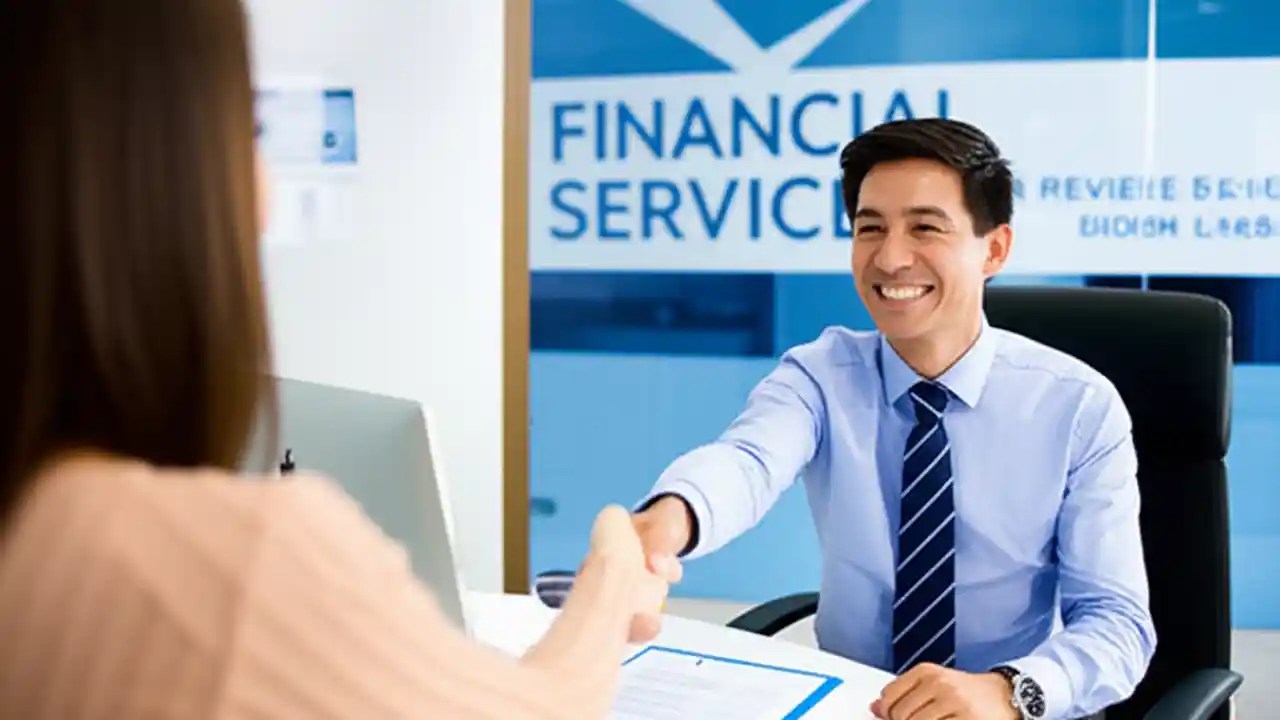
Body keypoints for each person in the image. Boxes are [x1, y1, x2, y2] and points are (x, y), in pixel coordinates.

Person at [0, 1, 676, 718]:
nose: (264, 195)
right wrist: (608, 585)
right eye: (247, 128)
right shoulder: (227, 568)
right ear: (140, 177)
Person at [632, 118, 1156, 720]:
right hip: (854, 706)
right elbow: (747, 462)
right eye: (869, 228)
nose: (890, 257)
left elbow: (1118, 626)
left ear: (994, 248)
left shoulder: (1078, 408)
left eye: (925, 228)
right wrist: (663, 525)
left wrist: (1007, 691)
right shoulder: (821, 374)